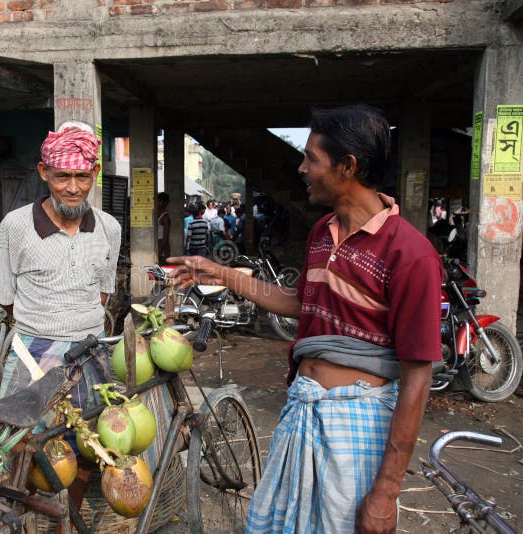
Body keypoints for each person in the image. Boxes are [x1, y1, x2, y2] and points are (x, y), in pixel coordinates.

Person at [167, 105, 442, 533]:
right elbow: (300, 303)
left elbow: (417, 377)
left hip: (358, 426)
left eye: (312, 158)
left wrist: (386, 490)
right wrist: (222, 275)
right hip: (302, 410)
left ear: (347, 166)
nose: (301, 168)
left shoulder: (410, 252)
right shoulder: (321, 234)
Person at [0, 122, 121, 515]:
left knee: (85, 445)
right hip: (33, 350)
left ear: (95, 174)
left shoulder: (109, 228)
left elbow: (102, 294)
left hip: (91, 352)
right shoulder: (15, 227)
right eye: (62, 176)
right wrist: (49, 330)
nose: (72, 187)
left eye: (82, 176)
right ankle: (21, 517)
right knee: (19, 446)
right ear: (43, 172)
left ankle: (68, 518)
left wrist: (78, 329)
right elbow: (8, 300)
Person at [157, 192, 171, 259]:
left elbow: (165, 238)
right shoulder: (159, 215)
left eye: (159, 201)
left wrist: (159, 251)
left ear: (165, 203)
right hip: (160, 246)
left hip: (163, 248)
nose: (157, 203)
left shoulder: (165, 217)